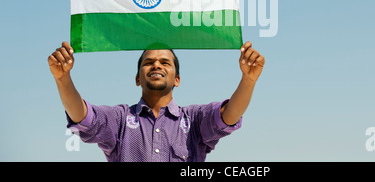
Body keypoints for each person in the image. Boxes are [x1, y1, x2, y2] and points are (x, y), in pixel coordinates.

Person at [48, 41, 265, 162]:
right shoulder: (120, 120)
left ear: (177, 79)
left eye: (165, 62)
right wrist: (62, 78)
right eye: (149, 62)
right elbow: (84, 118)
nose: (156, 66)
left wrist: (248, 80)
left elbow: (228, 116)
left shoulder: (194, 120)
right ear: (137, 78)